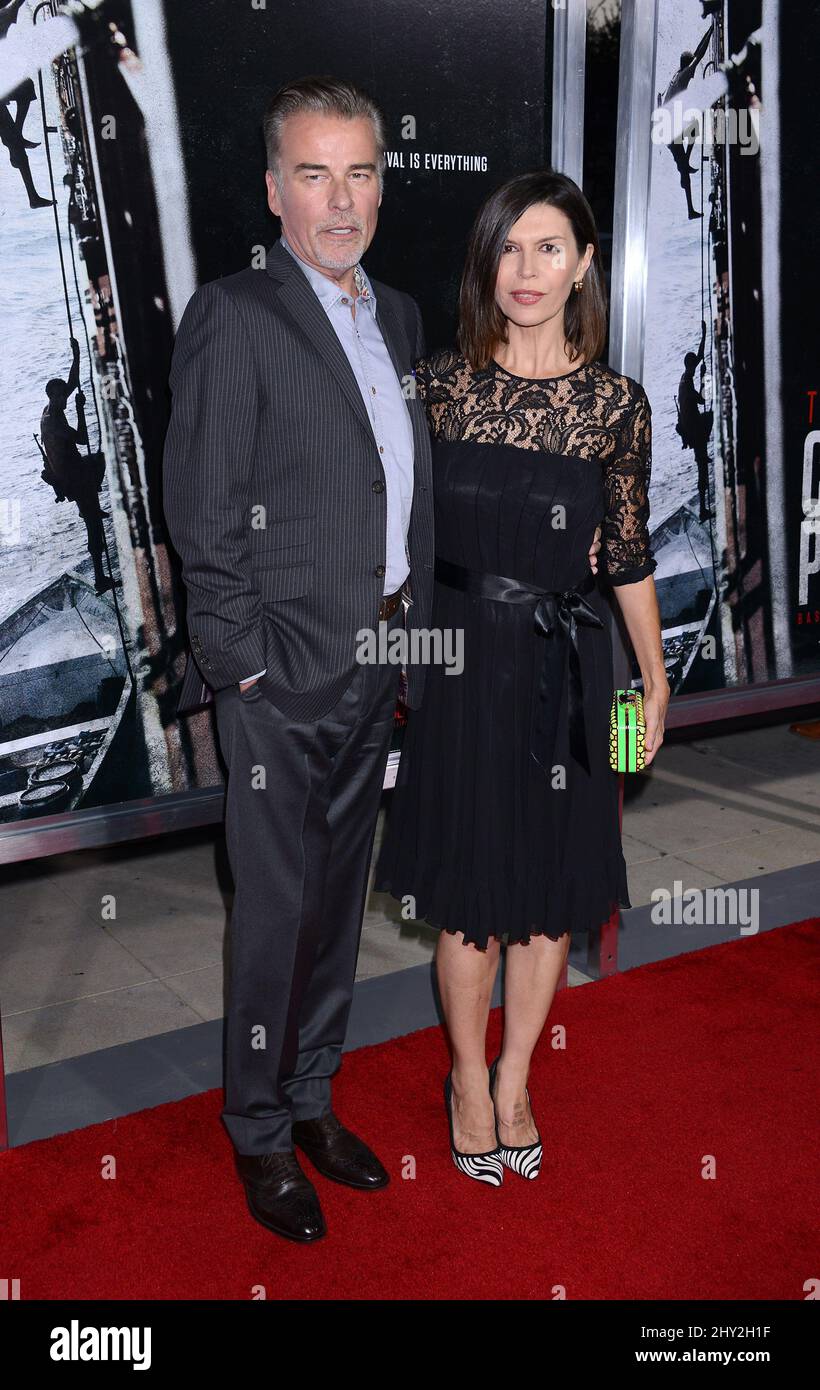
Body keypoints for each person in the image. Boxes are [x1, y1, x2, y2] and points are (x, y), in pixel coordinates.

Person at [162, 76, 441, 1245]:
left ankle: (315, 1096)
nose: (342, 199)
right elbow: (202, 511)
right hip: (280, 678)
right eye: (316, 174)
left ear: (382, 183)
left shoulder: (405, 317)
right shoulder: (235, 314)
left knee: (339, 901)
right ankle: (260, 1131)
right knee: (273, 913)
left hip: (379, 658)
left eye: (362, 172)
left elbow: (395, 489)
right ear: (275, 191)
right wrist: (245, 672)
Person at [374, 170, 670, 1186]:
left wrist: (655, 675)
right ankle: (464, 1077)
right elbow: (388, 536)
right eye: (509, 248)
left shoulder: (614, 407)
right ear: (485, 263)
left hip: (571, 668)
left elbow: (627, 555)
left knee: (547, 899)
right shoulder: (438, 385)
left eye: (550, 248)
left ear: (585, 262)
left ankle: (514, 1079)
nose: (527, 270)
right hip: (462, 668)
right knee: (470, 903)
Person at [40, 336, 113, 595]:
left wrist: (77, 356)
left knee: (100, 459)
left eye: (64, 397)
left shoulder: (53, 407)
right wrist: (81, 410)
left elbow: (71, 384)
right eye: (62, 397)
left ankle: (93, 502)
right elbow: (82, 438)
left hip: (75, 469)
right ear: (53, 397)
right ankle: (100, 577)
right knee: (94, 526)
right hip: (74, 478)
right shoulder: (54, 422)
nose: (65, 400)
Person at [660, 25, 713, 220]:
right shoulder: (684, 76)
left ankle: (685, 163)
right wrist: (711, 31)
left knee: (695, 125)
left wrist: (708, 30)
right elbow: (699, 54)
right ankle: (691, 210)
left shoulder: (676, 75)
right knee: (684, 170)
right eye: (691, 64)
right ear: (687, 64)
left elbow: (695, 51)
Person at [676, 320, 714, 521]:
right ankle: (703, 509)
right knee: (702, 470)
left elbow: (698, 358)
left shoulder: (684, 380)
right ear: (690, 366)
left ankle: (703, 507)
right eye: (694, 365)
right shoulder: (689, 381)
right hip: (695, 430)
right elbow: (702, 399)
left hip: (691, 428)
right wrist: (704, 378)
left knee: (702, 465)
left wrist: (705, 335)